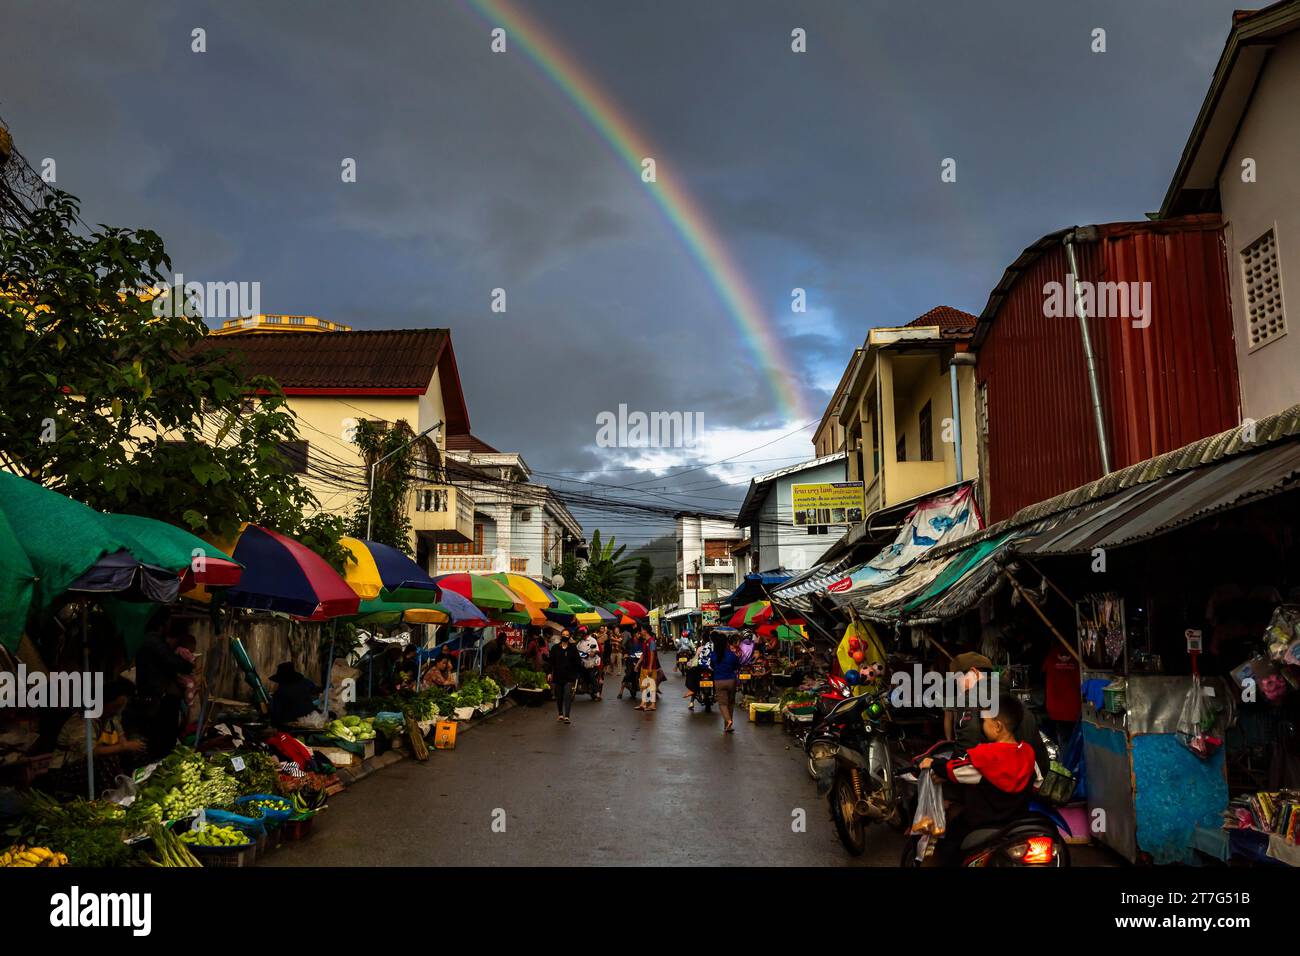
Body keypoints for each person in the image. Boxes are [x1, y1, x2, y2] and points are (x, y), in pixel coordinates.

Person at [919, 695, 1039, 866]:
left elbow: (954, 770)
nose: (982, 726)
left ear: (997, 726)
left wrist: (933, 763)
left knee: (947, 843)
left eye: (984, 721)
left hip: (981, 824)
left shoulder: (985, 757)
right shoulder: (1027, 753)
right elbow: (1037, 783)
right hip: (1016, 824)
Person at [49, 678, 146, 794]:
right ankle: (110, 798)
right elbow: (90, 751)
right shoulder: (84, 720)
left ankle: (138, 786)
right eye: (116, 706)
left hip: (90, 767)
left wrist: (130, 746)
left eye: (121, 707)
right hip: (65, 769)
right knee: (104, 760)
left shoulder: (111, 719)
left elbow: (123, 741)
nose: (118, 711)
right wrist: (124, 747)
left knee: (135, 751)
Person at [132, 624, 196, 759]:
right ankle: (161, 760)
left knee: (160, 736)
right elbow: (176, 664)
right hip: (160, 698)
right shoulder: (156, 643)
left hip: (155, 697)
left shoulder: (148, 641)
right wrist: (189, 666)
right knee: (162, 737)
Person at [549, 629, 582, 723]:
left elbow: (578, 662)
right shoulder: (555, 648)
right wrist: (549, 673)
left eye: (567, 635)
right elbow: (551, 662)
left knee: (567, 695)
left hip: (569, 677)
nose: (565, 636)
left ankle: (567, 716)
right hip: (558, 676)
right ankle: (560, 714)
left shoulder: (572, 648)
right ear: (561, 636)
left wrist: (576, 674)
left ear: (569, 636)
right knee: (559, 696)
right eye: (563, 634)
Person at [713, 633, 742, 733]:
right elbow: (737, 666)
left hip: (719, 681)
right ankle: (728, 726)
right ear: (726, 643)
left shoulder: (714, 655)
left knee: (722, 704)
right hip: (731, 681)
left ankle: (728, 721)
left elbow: (712, 666)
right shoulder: (731, 655)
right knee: (730, 703)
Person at [576, 628, 603, 701]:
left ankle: (597, 693)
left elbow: (596, 650)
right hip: (582, 663)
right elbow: (576, 649)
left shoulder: (592, 640)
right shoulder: (580, 642)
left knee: (591, 676)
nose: (580, 635)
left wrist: (593, 653)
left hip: (591, 663)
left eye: (581, 634)